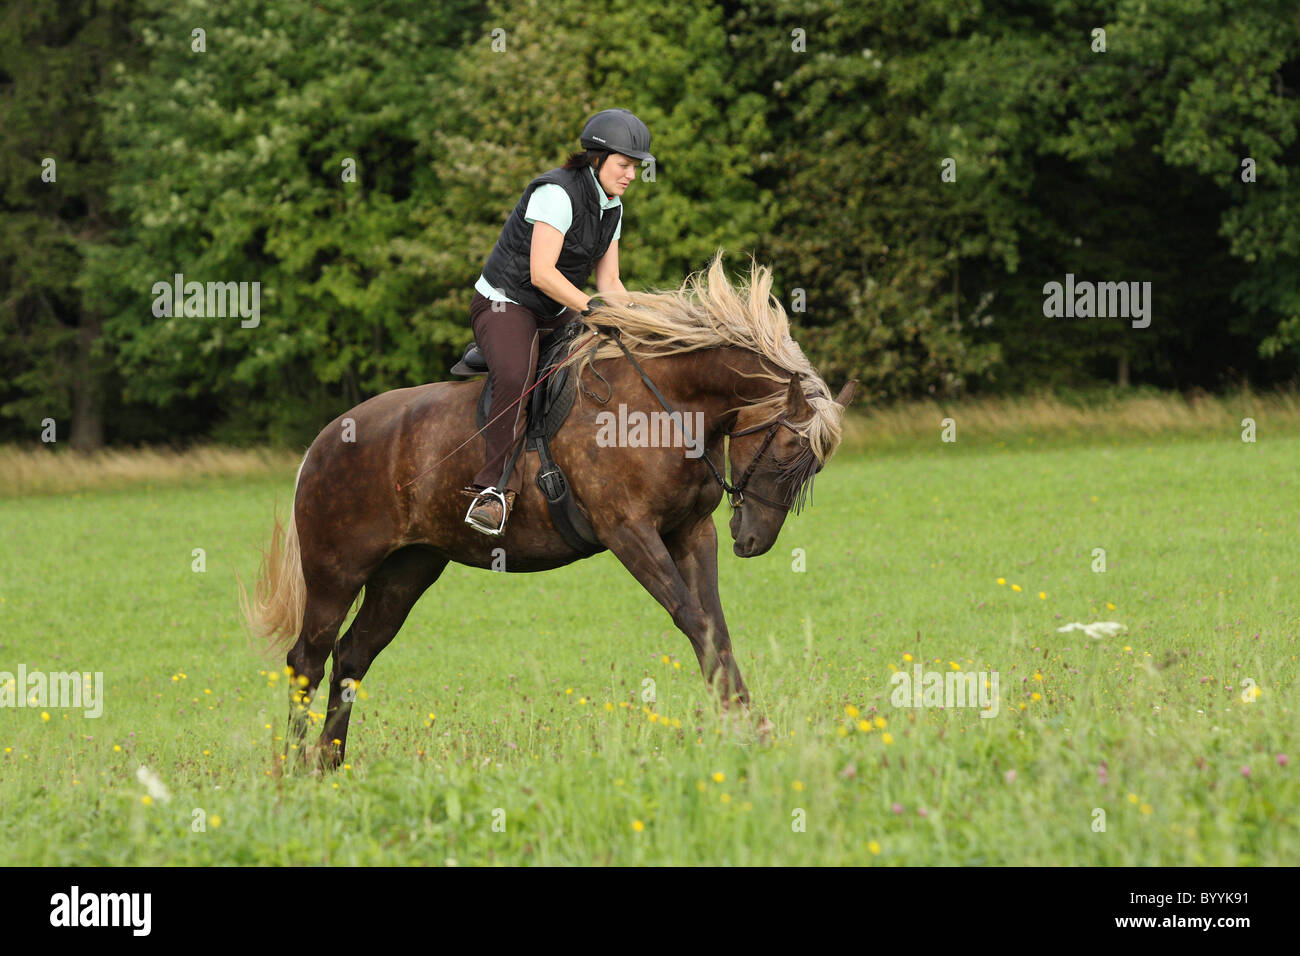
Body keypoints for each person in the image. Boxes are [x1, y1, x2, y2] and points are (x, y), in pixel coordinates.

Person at [462, 108, 654, 535]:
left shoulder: (612, 207)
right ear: (597, 159)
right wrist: (592, 309)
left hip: (554, 307)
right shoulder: (557, 193)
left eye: (636, 168)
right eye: (625, 165)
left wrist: (640, 324)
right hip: (506, 303)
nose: (631, 176)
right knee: (515, 376)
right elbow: (542, 274)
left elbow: (610, 280)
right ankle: (493, 491)